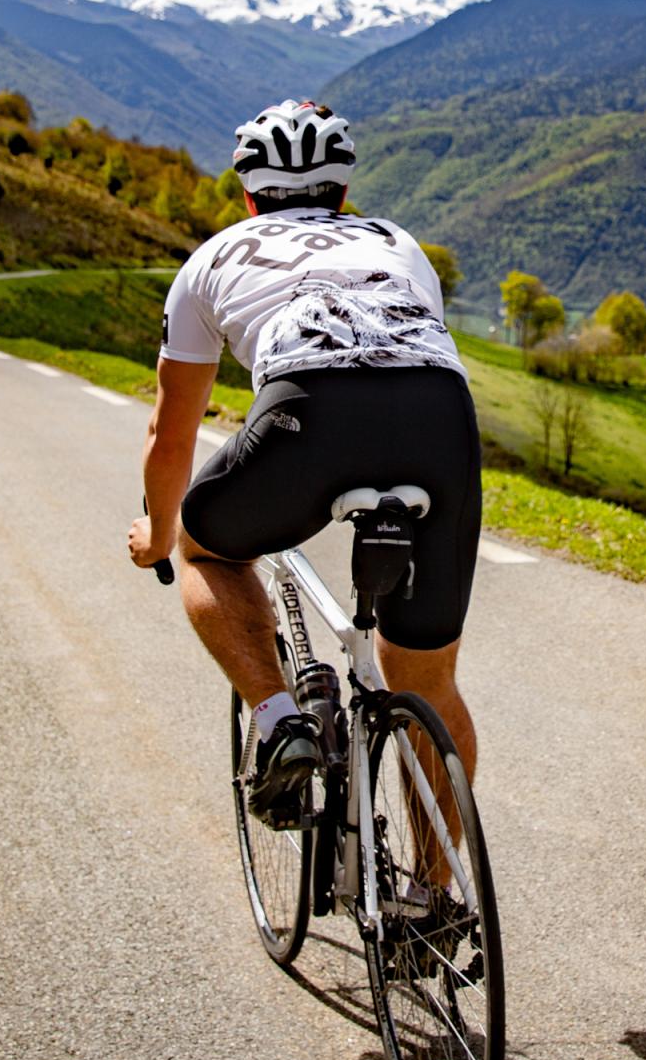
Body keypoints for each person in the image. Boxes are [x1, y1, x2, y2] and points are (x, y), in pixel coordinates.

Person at [127, 100, 481, 829]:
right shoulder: (397, 242)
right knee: (426, 680)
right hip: (441, 416)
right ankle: (435, 888)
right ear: (343, 192)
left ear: (248, 196)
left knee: (206, 549)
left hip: (308, 412)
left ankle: (279, 719)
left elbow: (171, 432)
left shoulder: (211, 259)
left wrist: (160, 537)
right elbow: (414, 351)